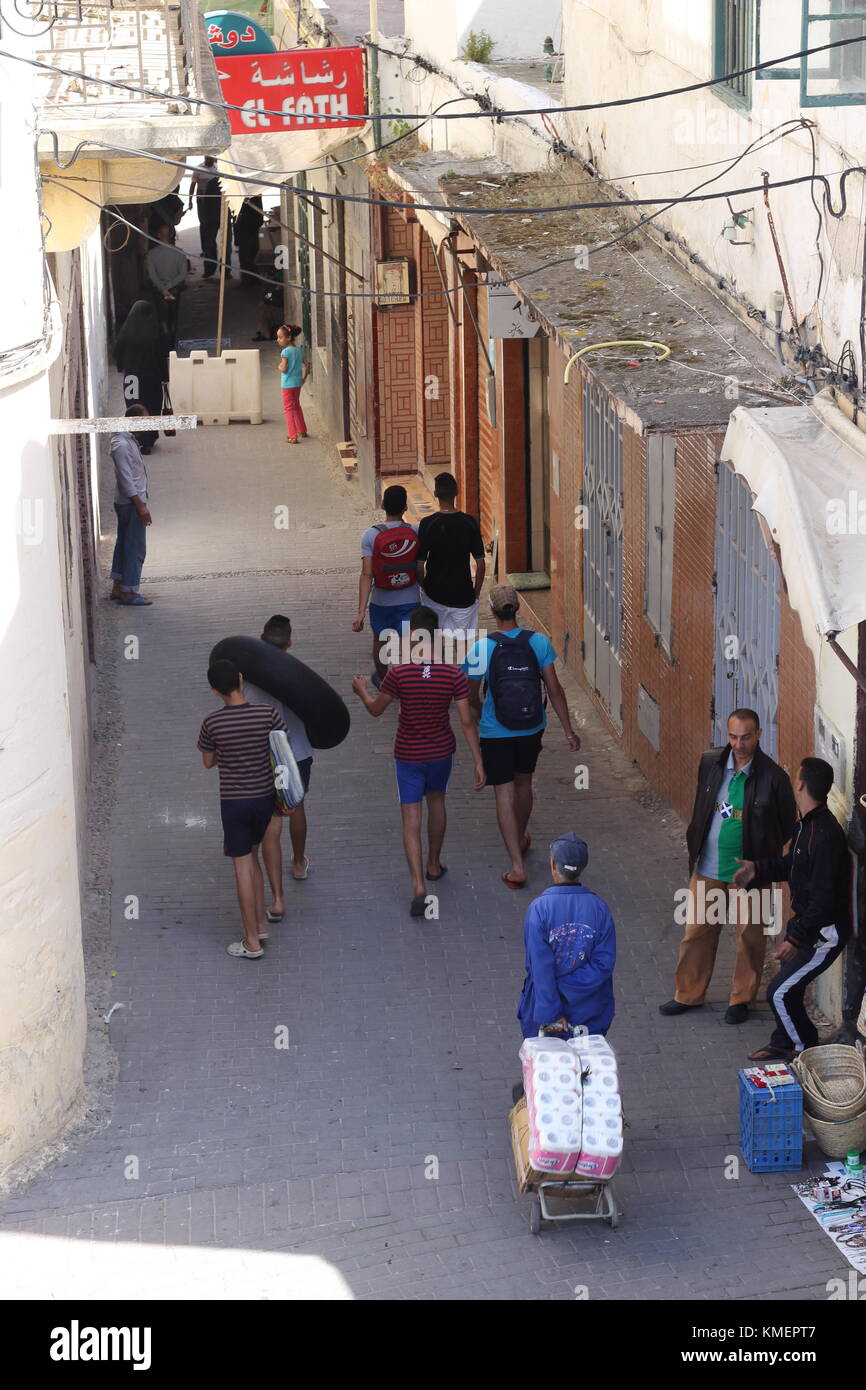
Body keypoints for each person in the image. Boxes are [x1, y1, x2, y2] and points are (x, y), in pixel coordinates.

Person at [659, 709, 797, 1024]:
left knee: (749, 936)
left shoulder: (773, 778)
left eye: (746, 736)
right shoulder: (711, 764)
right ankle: (688, 994)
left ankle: (742, 999)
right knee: (696, 933)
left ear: (759, 735)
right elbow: (702, 806)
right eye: (733, 736)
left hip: (751, 873)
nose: (738, 744)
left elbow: (787, 826)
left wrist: (762, 862)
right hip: (707, 867)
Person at [352, 605, 486, 916]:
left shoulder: (399, 673)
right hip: (441, 753)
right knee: (437, 803)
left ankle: (417, 885)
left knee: (411, 819)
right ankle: (434, 864)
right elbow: (467, 721)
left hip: (408, 755)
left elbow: (376, 710)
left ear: (412, 634)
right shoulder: (453, 673)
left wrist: (361, 691)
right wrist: (479, 760)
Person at [734, 757, 852, 1060]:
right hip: (808, 926)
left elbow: (823, 901)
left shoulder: (825, 835)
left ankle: (804, 1053)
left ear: (800, 783)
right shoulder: (805, 825)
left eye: (795, 775)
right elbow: (791, 866)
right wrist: (756, 869)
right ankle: (782, 1041)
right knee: (789, 989)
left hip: (825, 934)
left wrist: (795, 940)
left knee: (779, 992)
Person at [464, 586, 580, 889]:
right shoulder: (539, 642)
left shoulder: (481, 648)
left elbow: (469, 694)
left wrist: (478, 716)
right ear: (517, 609)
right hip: (531, 727)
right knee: (524, 783)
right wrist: (568, 730)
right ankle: (521, 835)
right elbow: (554, 689)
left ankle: (517, 866)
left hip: (495, 730)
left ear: (491, 610)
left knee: (504, 792)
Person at [197, 658, 286, 959]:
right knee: (255, 856)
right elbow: (280, 749)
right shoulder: (268, 714)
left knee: (242, 867)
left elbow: (208, 762)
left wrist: (228, 748)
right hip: (264, 799)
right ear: (240, 677)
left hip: (234, 802)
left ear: (214, 691)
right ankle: (260, 924)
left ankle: (252, 942)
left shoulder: (212, 723)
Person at [242, 615, 314, 924]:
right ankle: (298, 863)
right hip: (296, 753)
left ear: (261, 638)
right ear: (289, 643)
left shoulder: (249, 677)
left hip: (265, 755)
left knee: (273, 822)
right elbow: (319, 709)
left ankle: (278, 899)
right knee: (296, 807)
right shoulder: (300, 676)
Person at [518, 833, 616, 1041]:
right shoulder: (599, 908)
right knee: (587, 1069)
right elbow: (603, 964)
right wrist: (569, 989)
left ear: (553, 865)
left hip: (546, 1010)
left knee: (549, 1070)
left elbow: (540, 966)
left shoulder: (539, 909)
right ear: (583, 867)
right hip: (590, 1011)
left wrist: (552, 1009)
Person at [352, 484, 422, 686]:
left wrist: (361, 611)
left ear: (382, 505)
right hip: (410, 600)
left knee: (381, 642)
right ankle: (410, 684)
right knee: (411, 643)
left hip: (381, 602)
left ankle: (384, 682)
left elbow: (367, 574)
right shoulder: (416, 532)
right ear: (405, 507)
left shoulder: (370, 535)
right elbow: (420, 567)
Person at [418, 472, 486, 638]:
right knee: (463, 644)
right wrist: (476, 592)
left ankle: (441, 665)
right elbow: (481, 564)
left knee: (435, 641)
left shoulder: (427, 524)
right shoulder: (470, 522)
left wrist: (424, 587)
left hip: (434, 593)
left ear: (435, 494)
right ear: (456, 492)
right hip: (463, 594)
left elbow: (419, 565)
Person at [109, 404, 153, 606]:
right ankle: (129, 592)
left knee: (124, 544)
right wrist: (141, 506)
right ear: (134, 420)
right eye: (144, 421)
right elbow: (127, 480)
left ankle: (118, 587)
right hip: (131, 503)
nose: (147, 426)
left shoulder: (127, 440)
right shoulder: (122, 445)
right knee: (135, 547)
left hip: (128, 503)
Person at [113, 299, 169, 454]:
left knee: (135, 406)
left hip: (132, 379)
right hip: (152, 377)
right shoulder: (155, 330)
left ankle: (138, 438)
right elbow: (161, 355)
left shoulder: (126, 331)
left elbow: (117, 351)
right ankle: (149, 439)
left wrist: (121, 367)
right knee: (151, 406)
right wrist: (165, 376)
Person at [145, 224, 187, 348]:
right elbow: (182, 274)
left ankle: (164, 345)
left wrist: (163, 289)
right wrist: (169, 286)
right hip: (174, 291)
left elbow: (152, 276)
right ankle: (172, 345)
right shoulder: (180, 253)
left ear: (158, 235)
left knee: (162, 317)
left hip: (159, 292)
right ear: (172, 235)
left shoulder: (151, 254)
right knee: (173, 316)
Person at [188, 156, 230, 279]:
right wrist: (190, 200)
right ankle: (211, 269)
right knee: (209, 240)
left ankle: (225, 271)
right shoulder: (198, 169)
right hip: (206, 207)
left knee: (222, 242)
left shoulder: (220, 171)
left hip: (220, 209)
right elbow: (193, 185)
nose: (211, 159)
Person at [276, 324, 310, 444]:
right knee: (296, 406)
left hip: (287, 385)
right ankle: (302, 430)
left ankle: (292, 435)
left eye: (280, 337)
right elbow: (308, 364)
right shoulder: (299, 350)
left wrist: (279, 367)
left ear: (289, 337)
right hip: (297, 383)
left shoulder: (285, 352)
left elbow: (284, 369)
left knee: (288, 409)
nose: (278, 340)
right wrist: (304, 378)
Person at [234, 195, 264, 286]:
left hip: (248, 227)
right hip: (247, 226)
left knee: (248, 256)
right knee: (249, 255)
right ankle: (251, 279)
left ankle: (249, 280)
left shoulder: (252, 195)